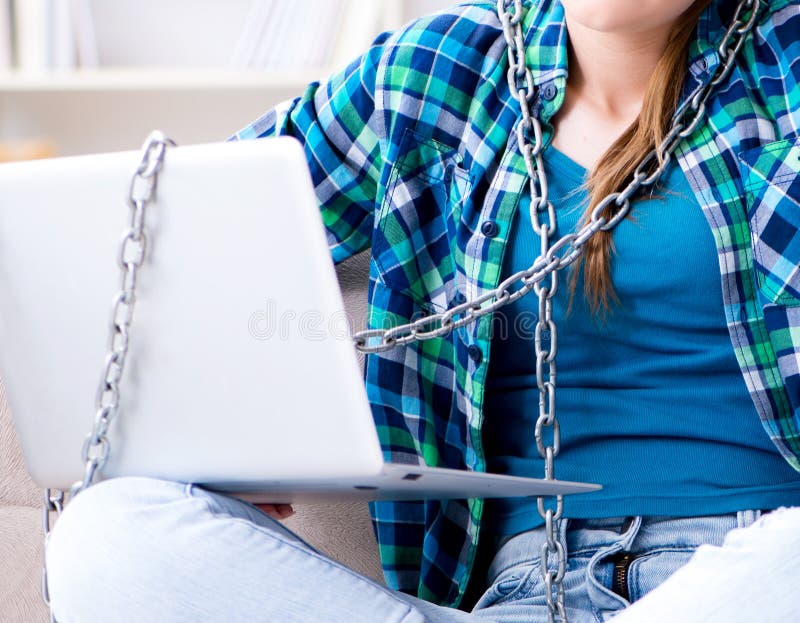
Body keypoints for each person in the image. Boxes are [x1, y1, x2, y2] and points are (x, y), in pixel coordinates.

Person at [46, 1, 800, 621]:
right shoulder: (437, 70)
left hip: (748, 573)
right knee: (107, 537)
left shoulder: (788, 62)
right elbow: (176, 224)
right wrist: (218, 433)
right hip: (521, 591)